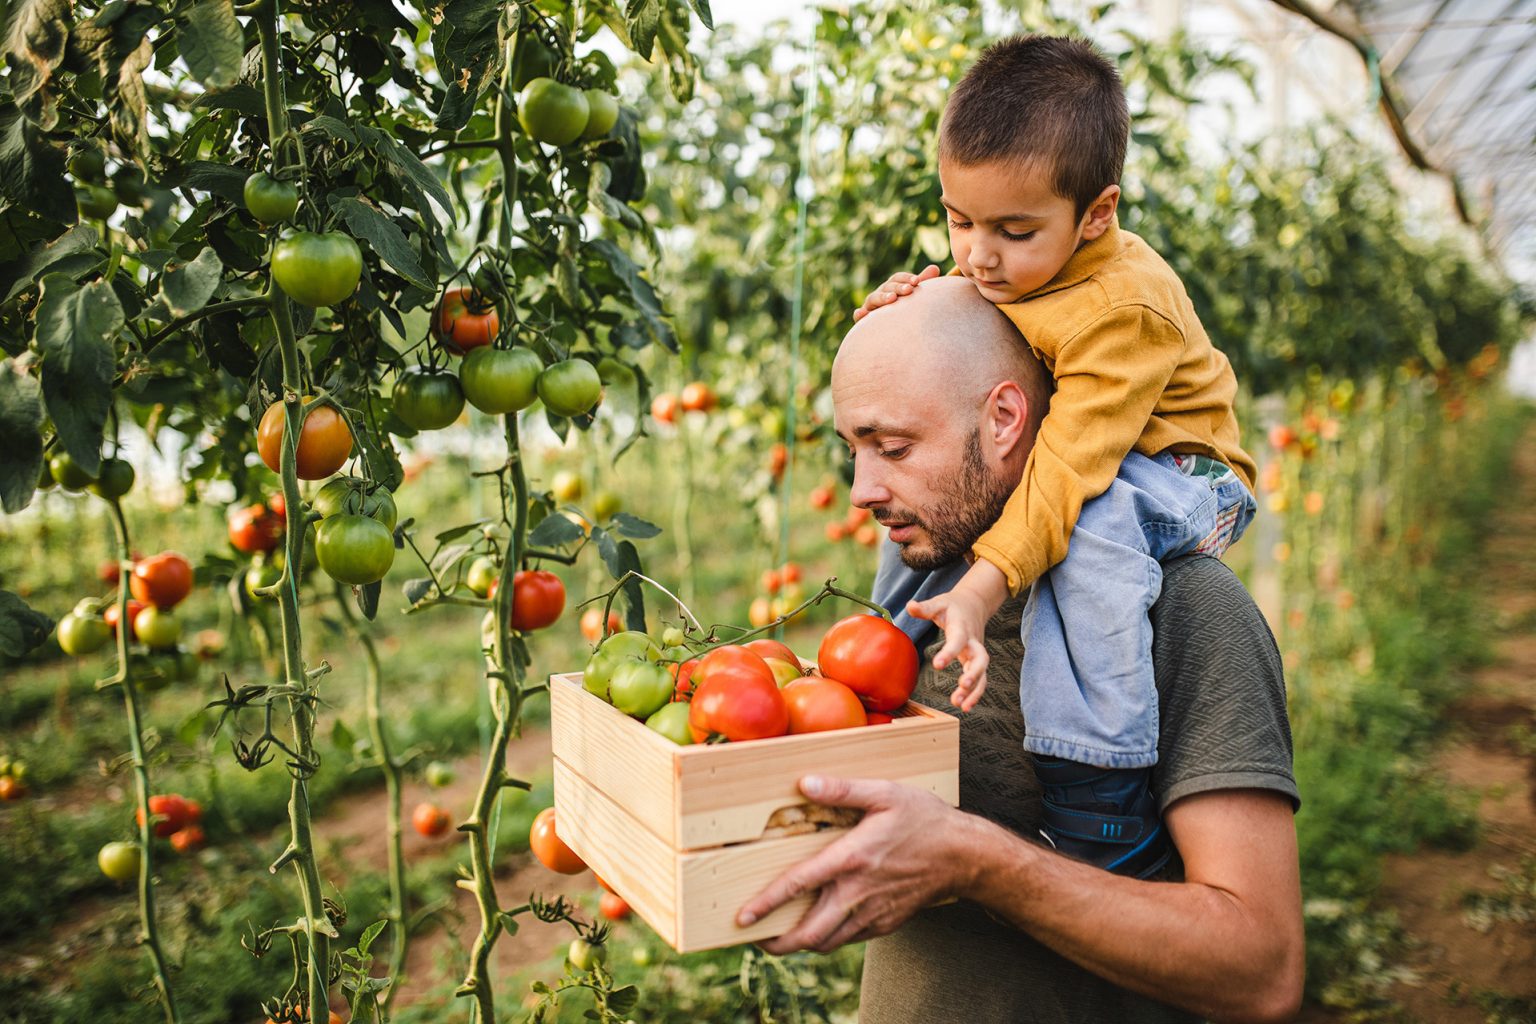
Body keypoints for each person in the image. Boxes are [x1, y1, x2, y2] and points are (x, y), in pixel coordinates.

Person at [738, 278, 1303, 1023]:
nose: (861, 490)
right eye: (853, 450)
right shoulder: (918, 600)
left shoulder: (1184, 609)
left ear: (1005, 418)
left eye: (893, 447)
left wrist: (979, 862)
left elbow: (1261, 971)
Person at [853, 35, 1259, 876]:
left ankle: (1099, 791)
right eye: (959, 221)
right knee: (925, 521)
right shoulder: (1016, 269)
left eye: (1012, 229)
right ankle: (884, 653)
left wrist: (987, 581)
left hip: (1184, 471)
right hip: (1107, 452)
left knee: (1093, 536)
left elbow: (1071, 465)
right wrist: (903, 306)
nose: (978, 255)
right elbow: (960, 347)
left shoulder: (1123, 312)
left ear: (1097, 214)